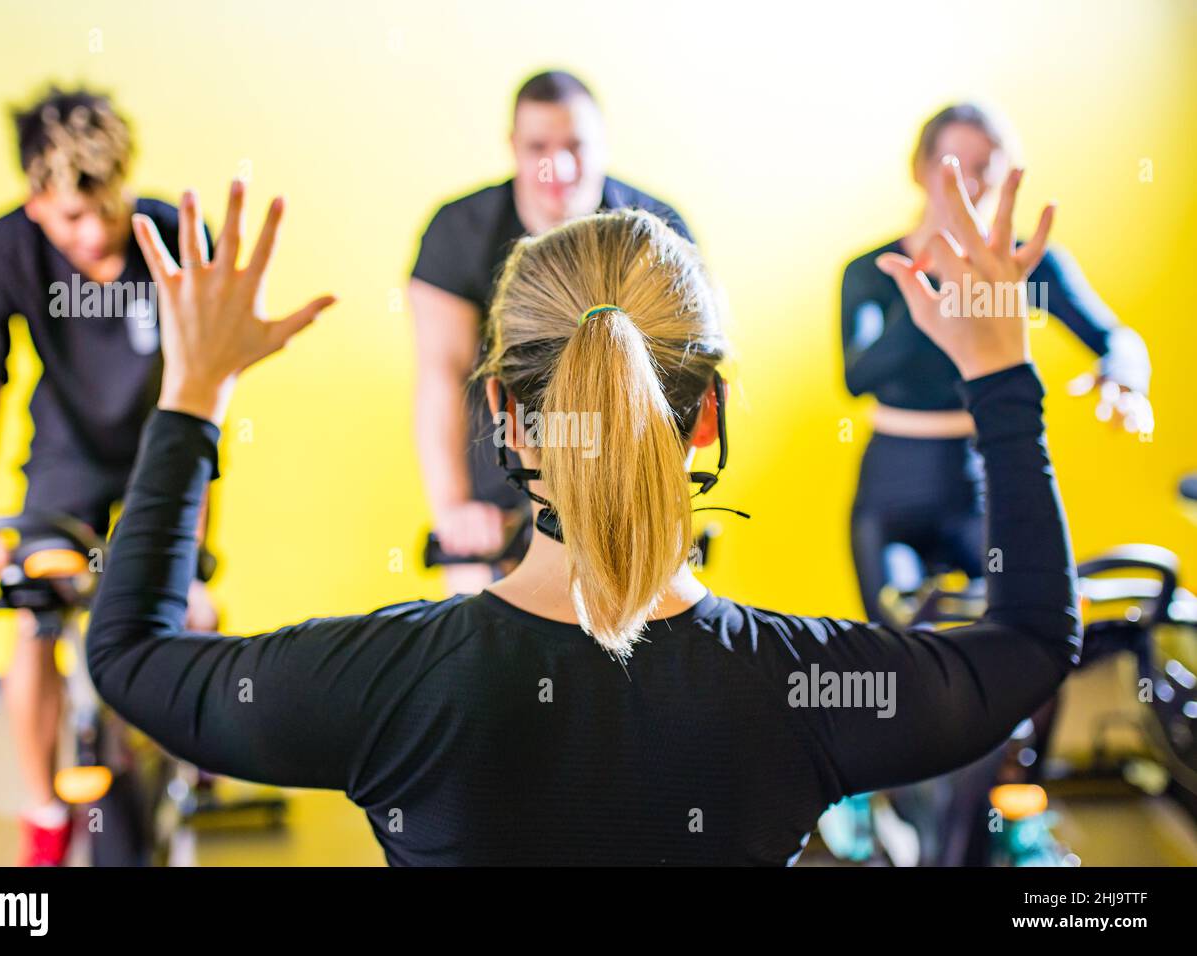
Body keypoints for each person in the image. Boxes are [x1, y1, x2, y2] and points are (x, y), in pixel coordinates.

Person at [87, 162, 1079, 866]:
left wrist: (194, 393)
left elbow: (129, 655)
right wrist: (1000, 372)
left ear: (505, 419)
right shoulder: (805, 690)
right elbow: (1033, 640)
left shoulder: (382, 683)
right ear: (708, 420)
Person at [0, 87, 217, 865]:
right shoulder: (1, 246)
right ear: (35, 203)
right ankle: (43, 810)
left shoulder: (168, 235)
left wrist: (192, 553)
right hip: (66, 453)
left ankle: (173, 769)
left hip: (163, 444)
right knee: (34, 615)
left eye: (105, 210)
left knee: (183, 611)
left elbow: (205, 386)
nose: (94, 235)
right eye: (71, 219)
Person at [841, 102, 1152, 622]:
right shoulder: (873, 271)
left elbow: (1116, 337)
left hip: (986, 476)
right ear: (921, 170)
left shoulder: (1027, 264)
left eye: (987, 168)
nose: (970, 185)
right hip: (891, 487)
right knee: (897, 643)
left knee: (1026, 633)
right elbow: (857, 375)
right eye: (954, 167)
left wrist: (1124, 379)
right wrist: (935, 278)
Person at [410, 70, 693, 594]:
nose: (558, 166)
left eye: (576, 146)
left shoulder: (655, 229)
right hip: (498, 481)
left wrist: (667, 501)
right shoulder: (459, 231)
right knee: (481, 633)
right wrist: (454, 509)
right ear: (514, 148)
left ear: (602, 144)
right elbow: (440, 375)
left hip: (621, 481)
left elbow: (683, 377)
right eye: (539, 146)